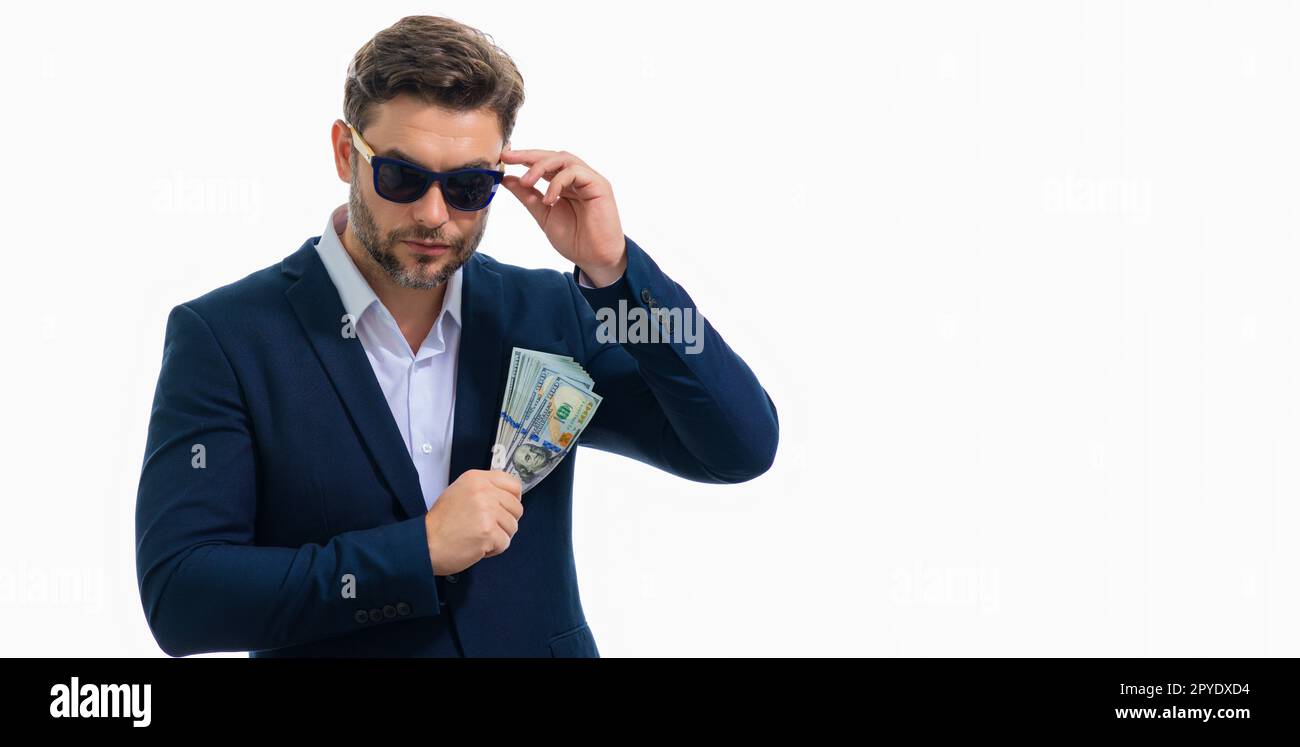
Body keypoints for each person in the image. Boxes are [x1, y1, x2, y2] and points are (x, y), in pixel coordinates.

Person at [134, 14, 778, 657]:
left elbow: (739, 444)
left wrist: (616, 272)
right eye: (402, 177)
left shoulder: (549, 313)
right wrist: (417, 552)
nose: (434, 215)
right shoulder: (226, 339)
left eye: (469, 186)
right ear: (342, 153)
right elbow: (183, 598)